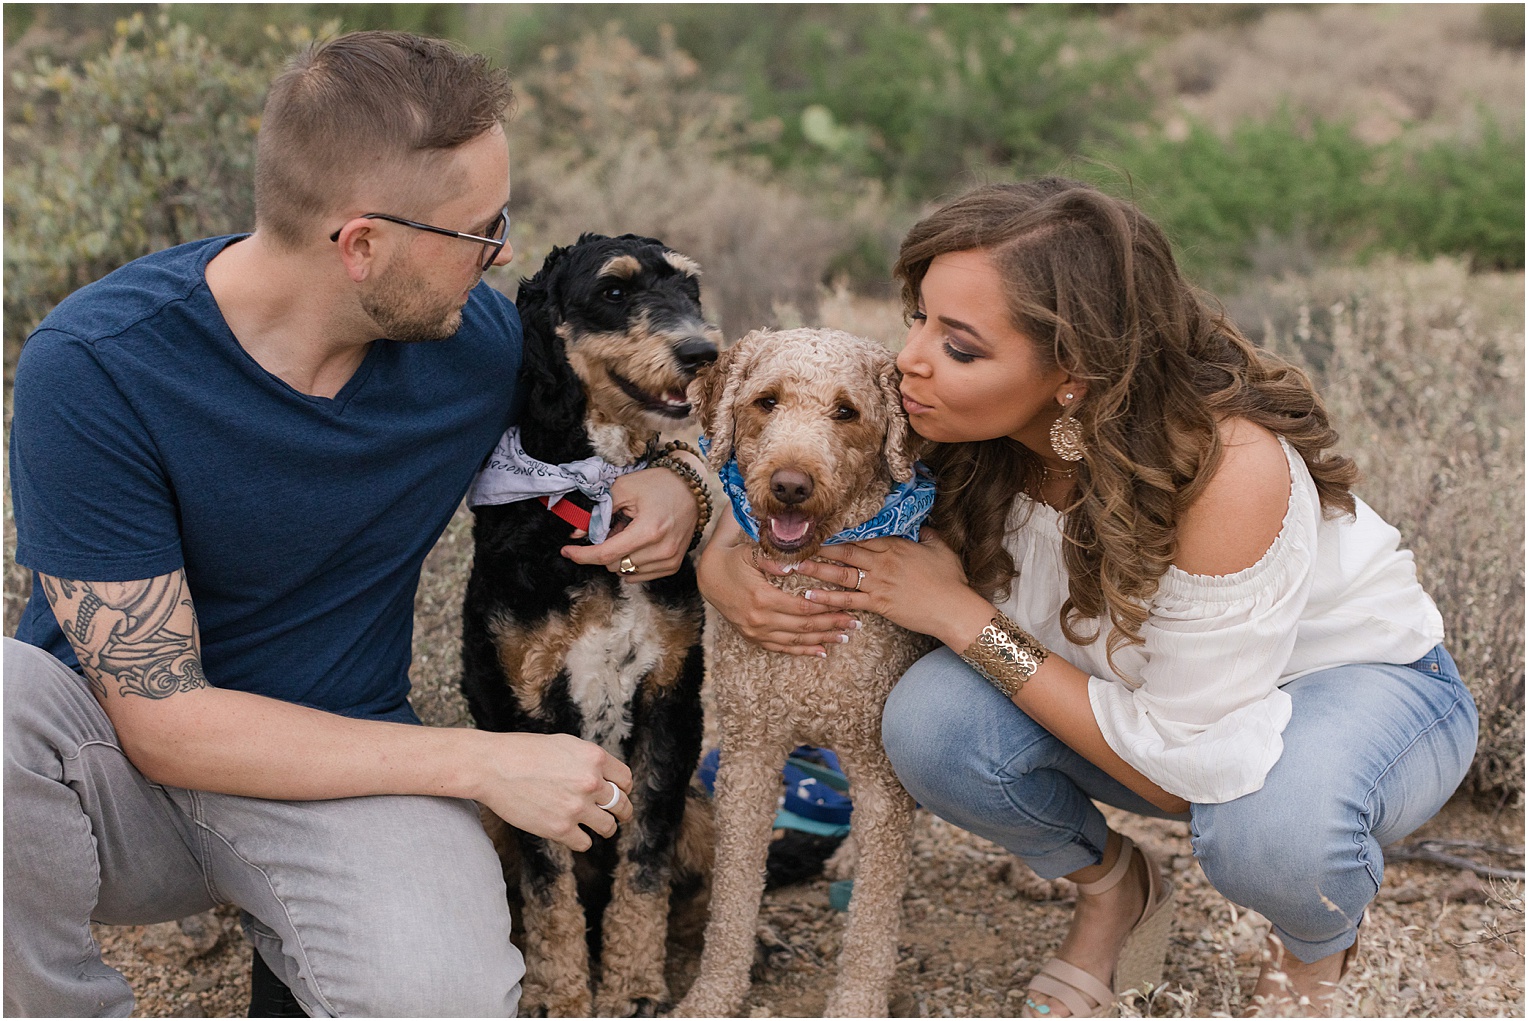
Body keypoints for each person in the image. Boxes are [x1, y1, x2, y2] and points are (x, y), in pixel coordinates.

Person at [4, 30, 707, 1018]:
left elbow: (632, 403)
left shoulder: (473, 342)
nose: (502, 252)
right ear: (362, 244)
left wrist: (688, 478)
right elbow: (165, 722)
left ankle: (302, 944)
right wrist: (481, 759)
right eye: (479, 230)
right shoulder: (99, 364)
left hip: (346, 771)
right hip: (112, 784)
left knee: (448, 995)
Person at [698, 179, 1478, 1017]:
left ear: (1072, 371)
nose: (911, 361)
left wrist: (960, 616)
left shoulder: (1228, 470)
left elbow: (1191, 770)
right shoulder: (946, 424)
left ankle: (1317, 941)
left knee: (1264, 832)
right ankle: (1116, 885)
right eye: (916, 319)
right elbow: (776, 473)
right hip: (1135, 706)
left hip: (1349, 689)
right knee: (929, 723)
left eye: (960, 346)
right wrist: (718, 562)